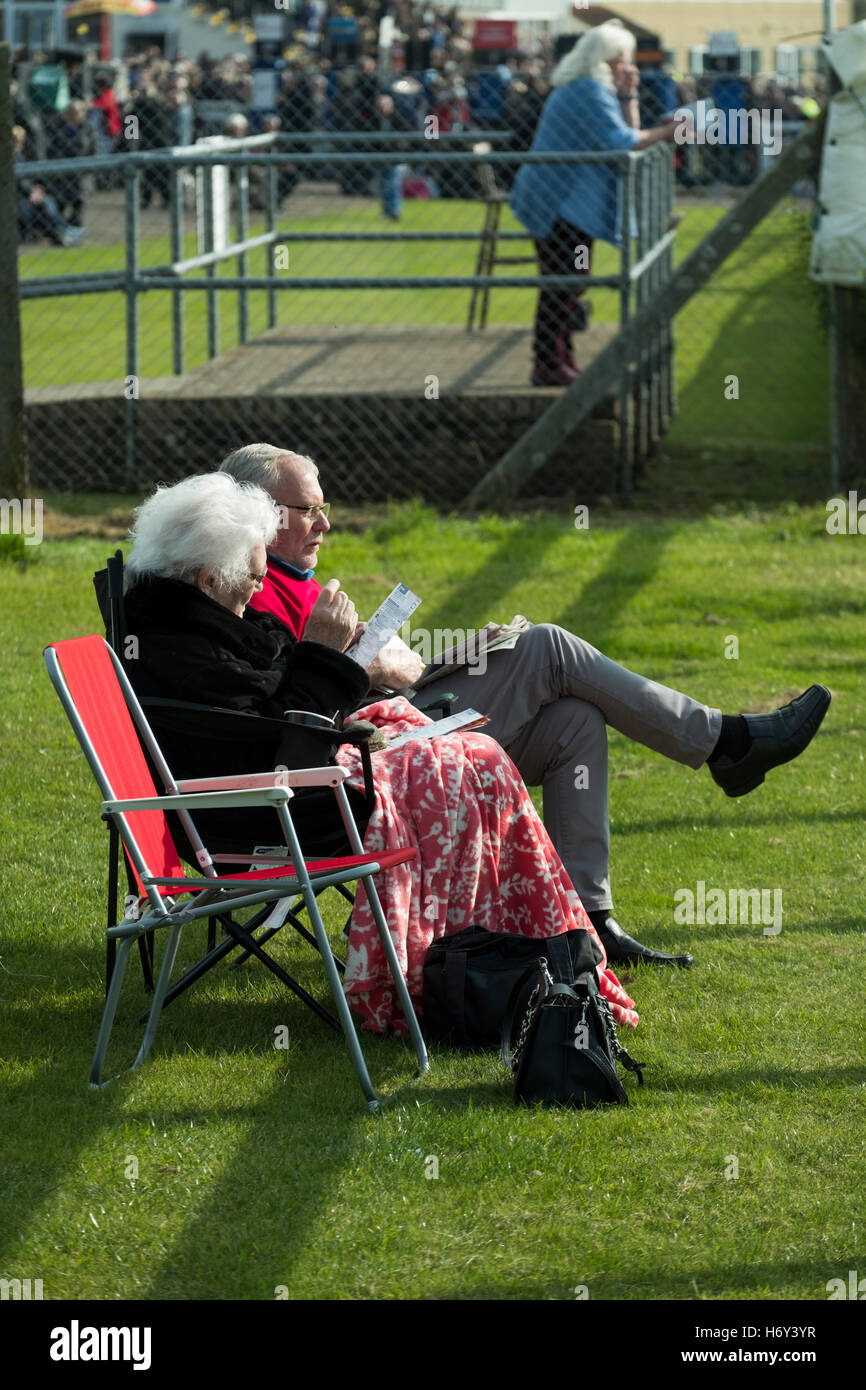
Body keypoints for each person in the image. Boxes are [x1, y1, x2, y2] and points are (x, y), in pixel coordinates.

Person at [218, 443, 832, 971]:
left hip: (389, 724)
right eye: (309, 510)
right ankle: (727, 744)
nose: (325, 522)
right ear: (262, 514)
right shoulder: (245, 586)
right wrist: (371, 665)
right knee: (548, 647)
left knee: (574, 723)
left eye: (326, 507)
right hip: (371, 754)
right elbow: (300, 706)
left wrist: (411, 663)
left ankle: (587, 925)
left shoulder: (282, 579)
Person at [122, 473, 638, 1034]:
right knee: (473, 762)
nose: (258, 590)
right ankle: (466, 967)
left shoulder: (178, 623)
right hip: (277, 808)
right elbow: (283, 746)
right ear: (206, 577)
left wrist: (330, 658)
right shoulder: (190, 651)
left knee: (477, 752)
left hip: (285, 785)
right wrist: (322, 656)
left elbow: (265, 713)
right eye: (252, 577)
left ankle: (511, 951)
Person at [509, 19, 683, 387]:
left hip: (565, 201)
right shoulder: (586, 90)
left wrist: (628, 94)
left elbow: (626, 135)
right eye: (621, 60)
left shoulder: (591, 88)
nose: (627, 66)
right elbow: (625, 142)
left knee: (570, 279)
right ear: (604, 59)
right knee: (563, 280)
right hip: (559, 202)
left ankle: (558, 358)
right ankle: (547, 363)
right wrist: (671, 132)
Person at [13, 125, 85, 248]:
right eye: (19, 141)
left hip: (28, 192)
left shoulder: (22, 155)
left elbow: (30, 178)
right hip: (19, 195)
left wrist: (37, 188)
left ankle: (63, 231)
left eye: (22, 140)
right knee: (45, 203)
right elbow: (19, 182)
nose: (21, 143)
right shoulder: (12, 157)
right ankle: (64, 231)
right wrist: (32, 191)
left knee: (48, 200)